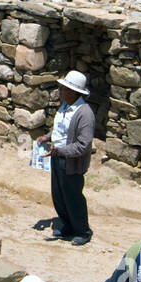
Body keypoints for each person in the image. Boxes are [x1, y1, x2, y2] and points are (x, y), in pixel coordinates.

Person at [34, 70, 95, 246]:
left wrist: (60, 151)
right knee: (59, 194)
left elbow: (83, 144)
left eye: (64, 88)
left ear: (74, 92)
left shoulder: (84, 114)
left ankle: (82, 231)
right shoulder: (64, 107)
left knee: (72, 196)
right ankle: (67, 225)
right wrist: (47, 137)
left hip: (71, 162)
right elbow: (60, 129)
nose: (60, 91)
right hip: (57, 157)